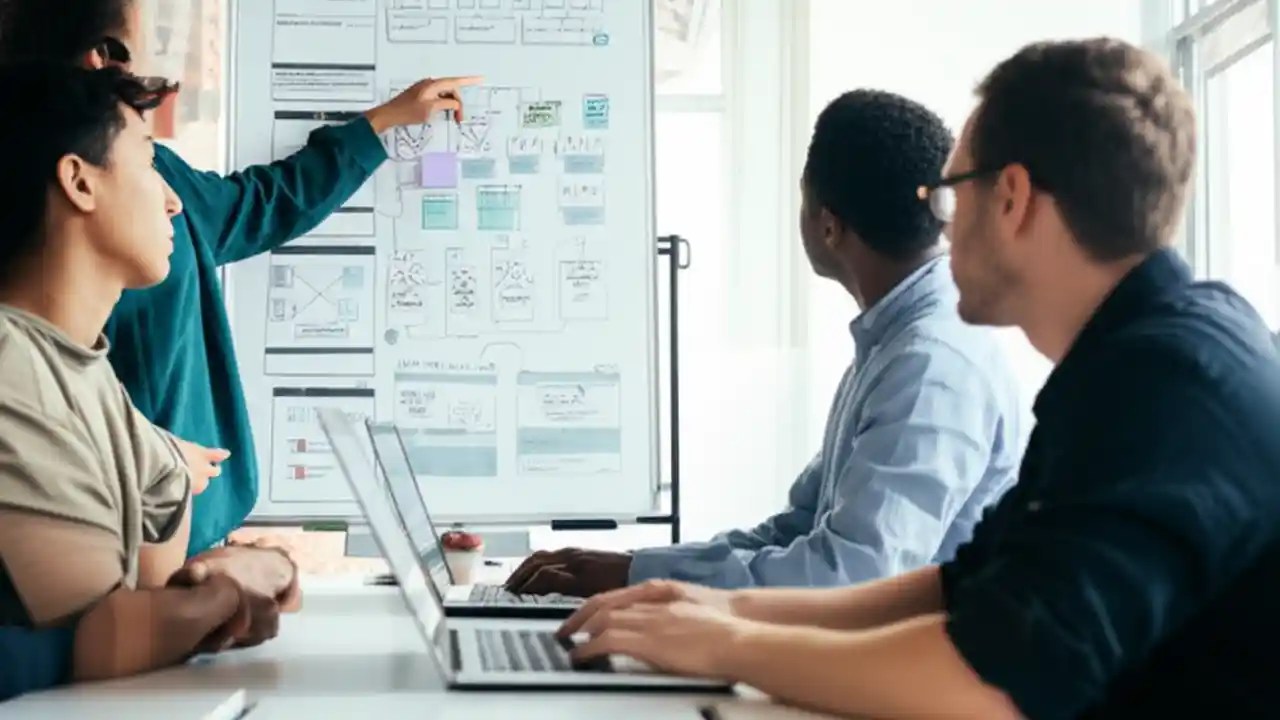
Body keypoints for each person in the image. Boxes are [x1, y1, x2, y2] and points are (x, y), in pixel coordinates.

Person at [554, 38, 1280, 719]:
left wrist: (722, 645)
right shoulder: (1133, 362)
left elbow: (996, 681)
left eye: (951, 191)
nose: (938, 222)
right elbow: (957, 589)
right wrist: (719, 608)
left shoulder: (1169, 387)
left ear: (1012, 197)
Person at [0, 0, 480, 555]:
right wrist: (152, 464)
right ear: (100, 61)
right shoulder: (32, 353)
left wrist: (380, 124)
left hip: (177, 533)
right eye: (135, 55)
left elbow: (251, 206)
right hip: (119, 534)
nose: (173, 202)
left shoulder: (142, 172)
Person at [507, 90, 1027, 598]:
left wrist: (640, 581)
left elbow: (846, 577)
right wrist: (637, 570)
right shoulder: (895, 340)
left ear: (827, 226)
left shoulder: (931, 365)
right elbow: (798, 530)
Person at [0, 62, 297, 689]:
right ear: (79, 181)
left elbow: (154, 591)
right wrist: (224, 597)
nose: (173, 199)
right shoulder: (9, 360)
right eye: (148, 162)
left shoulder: (88, 373)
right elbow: (104, 635)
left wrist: (239, 575)